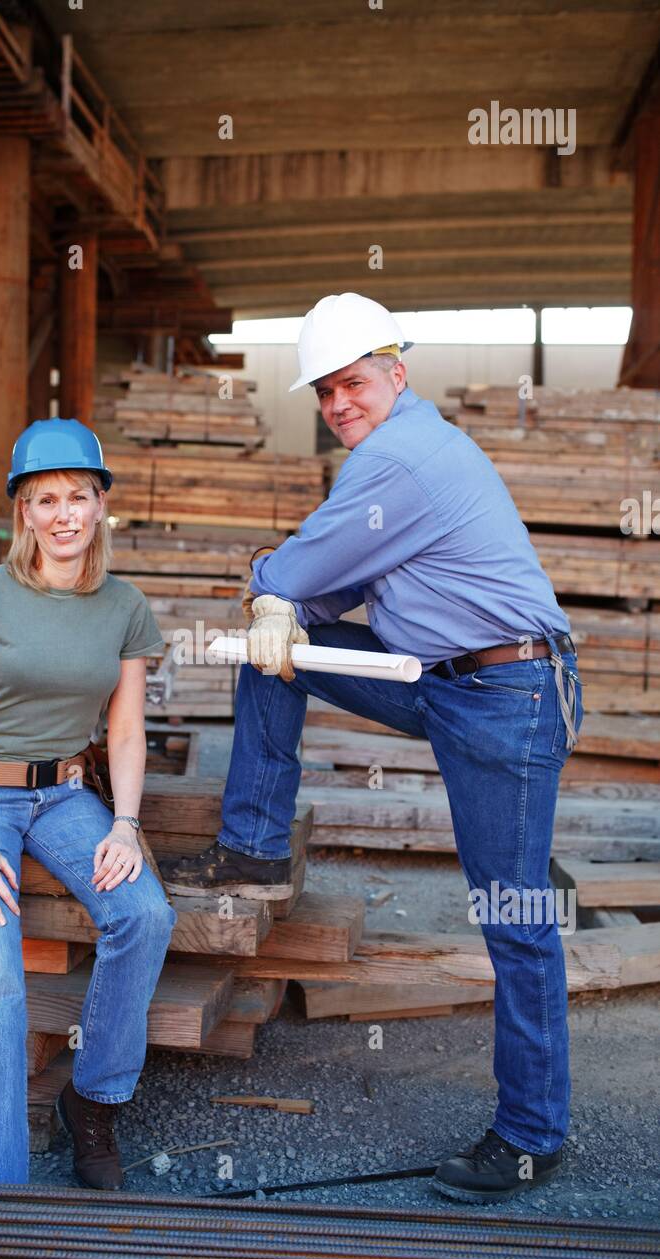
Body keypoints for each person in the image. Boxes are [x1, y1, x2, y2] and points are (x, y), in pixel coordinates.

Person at [161, 293, 584, 1205]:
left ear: (398, 373)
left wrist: (277, 589)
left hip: (505, 698)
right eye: (324, 391)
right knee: (270, 659)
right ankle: (255, 848)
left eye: (353, 382)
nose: (339, 403)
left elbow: (290, 574)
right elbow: (315, 592)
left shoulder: (400, 460)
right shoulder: (388, 454)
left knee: (514, 920)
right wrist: (287, 605)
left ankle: (531, 1135)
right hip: (436, 674)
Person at [0, 418, 176, 1189]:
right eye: (44, 500)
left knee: (146, 914)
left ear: (101, 506)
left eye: (78, 496)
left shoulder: (125, 607)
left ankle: (92, 1102)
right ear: (23, 513)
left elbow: (127, 731)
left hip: (68, 797)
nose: (63, 514)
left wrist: (126, 825)